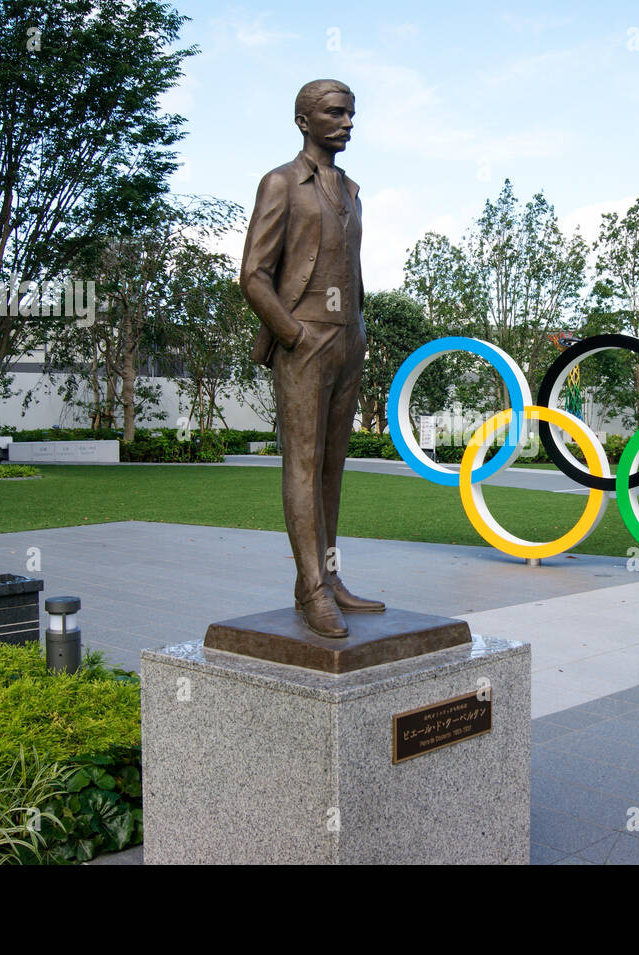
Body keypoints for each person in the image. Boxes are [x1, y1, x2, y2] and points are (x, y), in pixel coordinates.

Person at [239, 79, 385, 637]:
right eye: (335, 112)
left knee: (331, 465)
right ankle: (311, 591)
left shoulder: (351, 189)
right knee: (302, 462)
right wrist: (293, 335)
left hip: (349, 339)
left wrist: (359, 330)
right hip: (305, 339)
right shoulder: (281, 183)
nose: (348, 122)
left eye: (351, 112)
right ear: (304, 120)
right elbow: (253, 274)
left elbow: (352, 268)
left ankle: (328, 577)